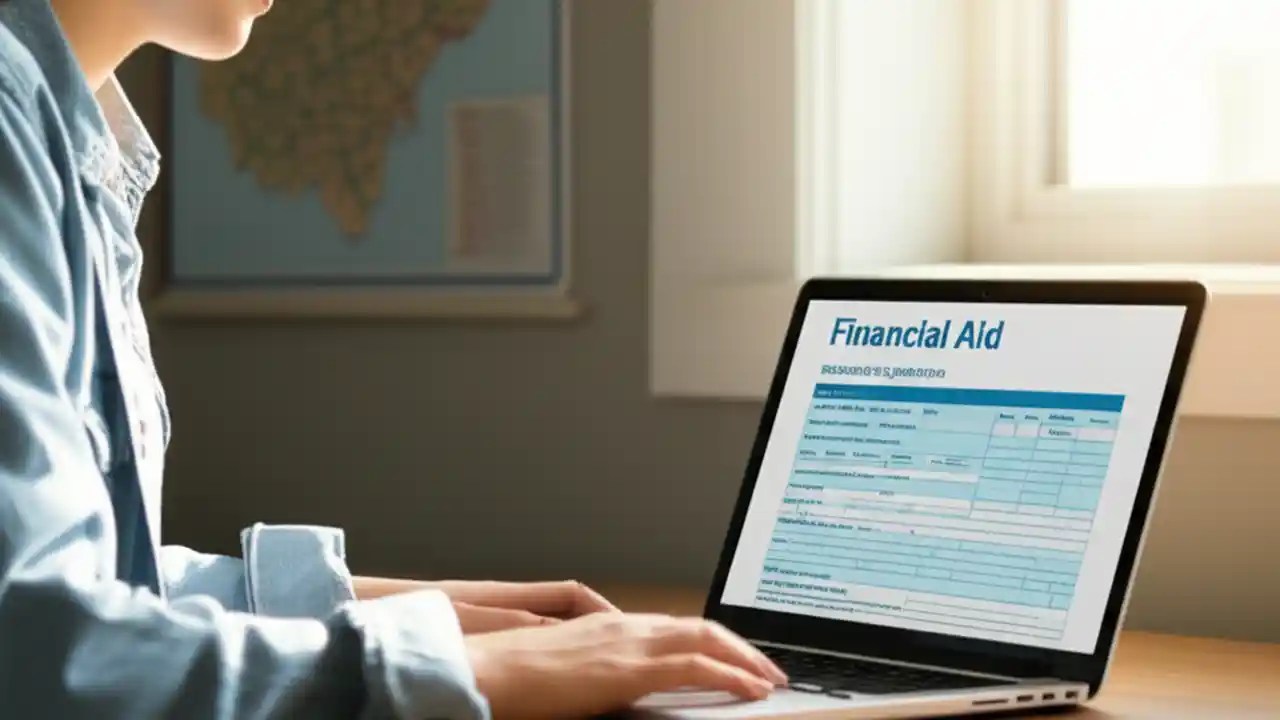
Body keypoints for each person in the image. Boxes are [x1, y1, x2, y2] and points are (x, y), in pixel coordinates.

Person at [0, 0, 787, 717]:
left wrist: (380, 609)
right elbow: (44, 655)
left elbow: (104, 587)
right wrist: (459, 669)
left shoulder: (64, 140)